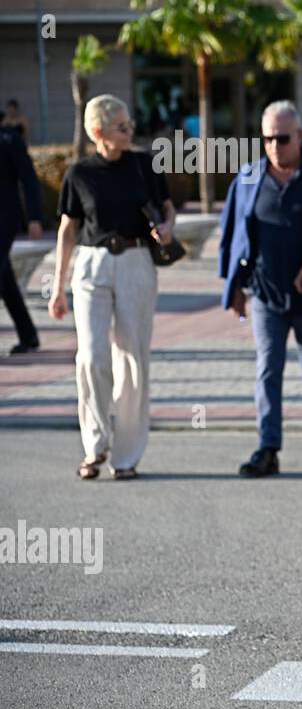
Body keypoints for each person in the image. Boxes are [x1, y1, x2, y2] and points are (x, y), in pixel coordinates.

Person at [48, 95, 175, 480]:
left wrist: (168, 227)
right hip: (92, 265)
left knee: (132, 359)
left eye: (131, 125)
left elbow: (166, 207)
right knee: (91, 357)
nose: (130, 131)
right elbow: (67, 230)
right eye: (122, 127)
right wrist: (57, 287)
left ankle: (126, 456)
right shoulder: (79, 174)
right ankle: (95, 445)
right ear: (99, 132)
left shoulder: (144, 164)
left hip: (136, 262)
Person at [217, 100, 302, 477]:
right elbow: (232, 234)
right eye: (266, 138)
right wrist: (233, 286)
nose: (274, 146)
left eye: (282, 138)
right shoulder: (249, 178)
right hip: (265, 293)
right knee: (269, 368)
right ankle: (268, 447)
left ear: (300, 136)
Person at [1, 125, 43, 354]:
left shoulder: (9, 138)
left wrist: (34, 217)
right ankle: (28, 334)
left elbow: (28, 179)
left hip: (4, 218)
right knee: (6, 281)